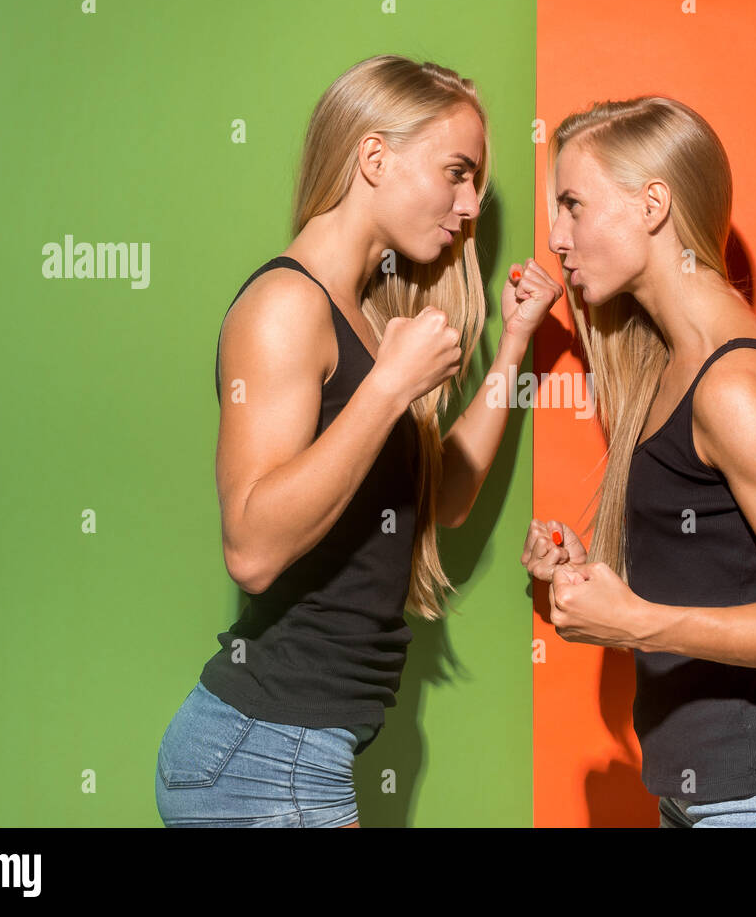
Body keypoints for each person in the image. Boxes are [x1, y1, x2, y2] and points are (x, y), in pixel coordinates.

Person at [155, 55, 562, 827]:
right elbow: (250, 547)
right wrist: (386, 390)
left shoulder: (365, 316)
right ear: (375, 158)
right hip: (266, 757)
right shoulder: (286, 305)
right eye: (456, 172)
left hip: (297, 751)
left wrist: (512, 348)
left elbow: (442, 499)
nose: (470, 204)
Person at [519, 96, 756, 827]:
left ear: (652, 205)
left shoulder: (737, 386)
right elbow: (714, 574)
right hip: (707, 805)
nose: (556, 237)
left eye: (573, 205)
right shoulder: (668, 370)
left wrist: (636, 623)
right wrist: (586, 578)